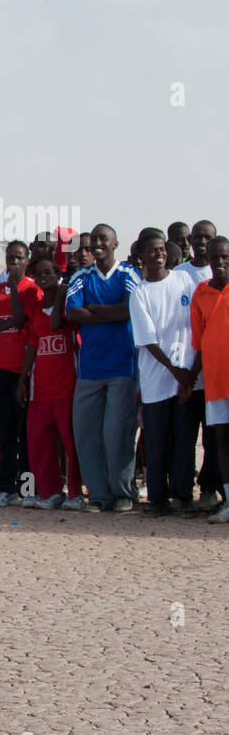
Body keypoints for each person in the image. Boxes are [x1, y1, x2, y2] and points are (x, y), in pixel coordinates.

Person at [64, 223, 142, 512]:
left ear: (115, 244)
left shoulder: (128, 274)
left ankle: (123, 493)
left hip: (122, 367)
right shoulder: (81, 277)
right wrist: (111, 313)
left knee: (116, 433)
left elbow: (129, 309)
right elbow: (72, 312)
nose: (97, 244)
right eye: (94, 239)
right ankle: (98, 494)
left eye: (103, 239)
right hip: (89, 370)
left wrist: (94, 309)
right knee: (87, 434)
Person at [130, 232, 198, 516]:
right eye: (152, 251)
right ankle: (158, 498)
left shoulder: (184, 281)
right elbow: (148, 340)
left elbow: (196, 325)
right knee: (156, 440)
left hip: (187, 380)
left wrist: (189, 376)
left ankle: (183, 496)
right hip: (157, 381)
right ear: (141, 258)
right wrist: (176, 372)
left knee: (184, 439)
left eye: (161, 250)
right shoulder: (140, 293)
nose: (158, 254)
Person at [18, 254, 83, 510]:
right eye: (39, 274)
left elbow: (64, 328)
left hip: (66, 387)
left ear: (59, 275)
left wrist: (61, 295)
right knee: (38, 443)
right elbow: (31, 349)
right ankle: (49, 492)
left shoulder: (69, 308)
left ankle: (76, 493)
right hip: (40, 390)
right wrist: (22, 380)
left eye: (49, 273)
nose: (44, 277)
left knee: (71, 443)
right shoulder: (34, 312)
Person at [0, 240, 37, 505]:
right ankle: (4, 487)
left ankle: (27, 489)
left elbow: (22, 318)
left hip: (23, 373)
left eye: (19, 258)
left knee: (25, 434)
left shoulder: (33, 290)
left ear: (27, 260)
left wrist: (14, 292)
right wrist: (11, 321)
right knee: (4, 433)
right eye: (10, 258)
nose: (13, 263)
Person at [175, 220, 222, 509]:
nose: (203, 243)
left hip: (215, 371)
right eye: (199, 237)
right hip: (184, 369)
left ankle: (210, 489)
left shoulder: (221, 274)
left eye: (208, 238)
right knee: (184, 435)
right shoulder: (179, 274)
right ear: (190, 240)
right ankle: (181, 493)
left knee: (215, 437)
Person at [186, 236, 229, 523]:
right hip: (215, 380)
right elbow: (199, 344)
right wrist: (189, 378)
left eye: (225, 257)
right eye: (216, 258)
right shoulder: (200, 293)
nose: (220, 262)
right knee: (221, 441)